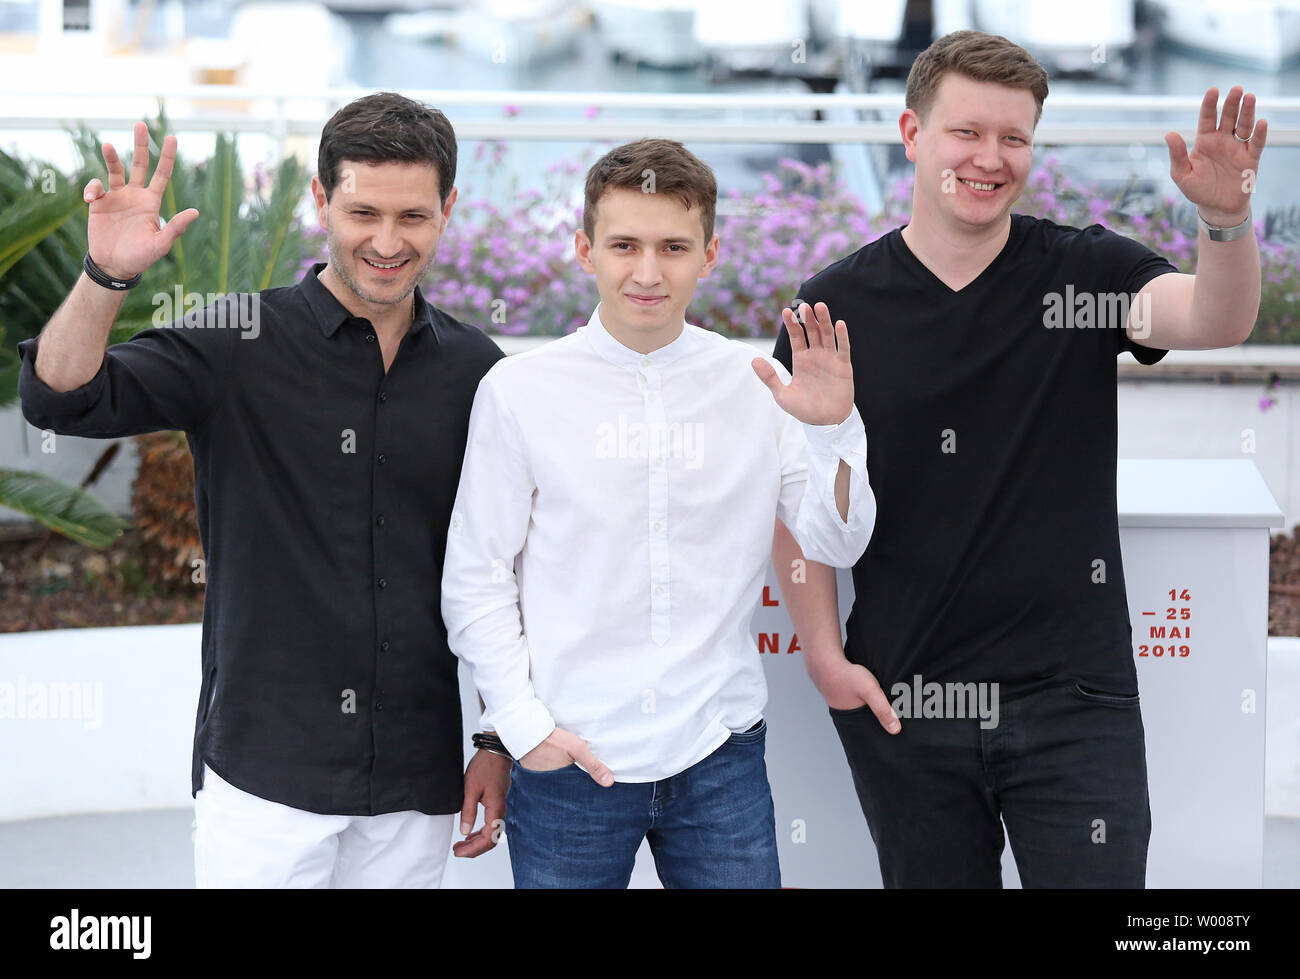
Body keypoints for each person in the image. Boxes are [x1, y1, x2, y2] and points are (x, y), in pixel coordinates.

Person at [772, 30, 1267, 888]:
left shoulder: (1084, 270)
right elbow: (799, 494)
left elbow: (1213, 320)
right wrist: (822, 652)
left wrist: (1223, 223)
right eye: (966, 132)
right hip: (907, 703)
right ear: (912, 133)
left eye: (1014, 138)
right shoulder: (834, 305)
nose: (989, 158)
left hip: (1076, 704)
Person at [18, 93, 509, 887]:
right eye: (363, 212)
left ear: (448, 207)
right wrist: (106, 273)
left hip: (417, 782)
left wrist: (494, 739)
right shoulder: (233, 337)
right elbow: (61, 397)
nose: (387, 242)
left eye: (414, 216)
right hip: (263, 780)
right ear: (321, 199)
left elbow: (500, 566)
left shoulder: (477, 369)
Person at [441, 138, 876, 888]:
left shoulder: (761, 386)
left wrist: (831, 428)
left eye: (674, 246)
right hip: (568, 759)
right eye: (624, 245)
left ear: (709, 255)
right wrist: (524, 727)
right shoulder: (518, 392)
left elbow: (836, 538)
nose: (648, 271)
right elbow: (476, 578)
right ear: (585, 249)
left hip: (719, 755)